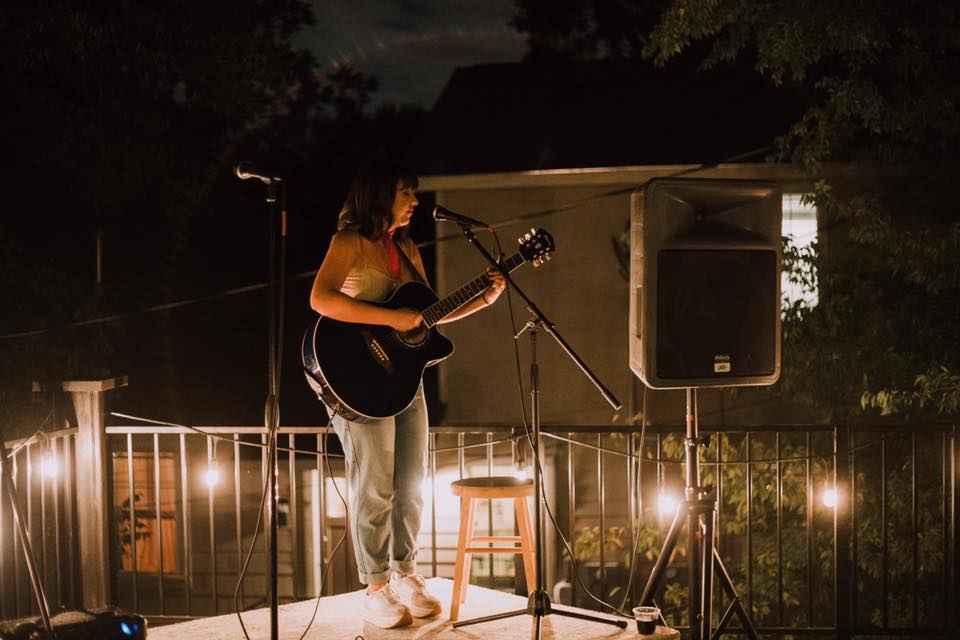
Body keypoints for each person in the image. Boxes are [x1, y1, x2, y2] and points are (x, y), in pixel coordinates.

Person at [309, 160, 505, 628]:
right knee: (375, 482)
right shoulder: (348, 242)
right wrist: (390, 318)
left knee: (412, 479)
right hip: (356, 379)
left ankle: (404, 571)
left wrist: (483, 298)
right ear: (379, 195)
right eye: (405, 192)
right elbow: (321, 299)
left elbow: (425, 316)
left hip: (403, 378)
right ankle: (375, 585)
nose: (415, 201)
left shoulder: (406, 248)